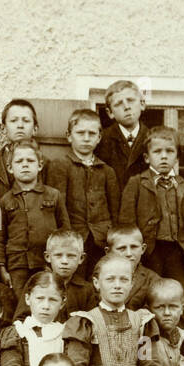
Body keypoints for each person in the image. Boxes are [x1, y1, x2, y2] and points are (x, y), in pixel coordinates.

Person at [63, 252, 161, 366]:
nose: (117, 285)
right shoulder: (86, 322)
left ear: (132, 283)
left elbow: (150, 365)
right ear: (96, 283)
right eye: (110, 279)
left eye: (124, 280)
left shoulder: (141, 322)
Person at [118, 126, 184, 291]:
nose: (164, 156)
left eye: (169, 151)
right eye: (157, 151)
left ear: (176, 158)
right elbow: (126, 223)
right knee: (149, 291)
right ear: (147, 158)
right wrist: (132, 251)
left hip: (177, 251)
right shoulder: (136, 183)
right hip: (149, 251)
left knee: (177, 292)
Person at [0, 140, 71, 301]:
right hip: (17, 265)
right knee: (21, 302)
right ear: (10, 168)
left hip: (46, 263)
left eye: (30, 161)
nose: (25, 165)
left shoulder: (54, 196)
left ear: (40, 165)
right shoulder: (2, 201)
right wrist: (1, 267)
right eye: (19, 161)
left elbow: (65, 231)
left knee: (46, 299)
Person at [52, 108, 118, 274]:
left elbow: (115, 209)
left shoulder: (107, 170)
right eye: (80, 133)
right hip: (73, 239)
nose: (86, 138)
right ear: (69, 136)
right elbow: (58, 206)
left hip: (101, 239)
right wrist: (67, 237)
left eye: (91, 133)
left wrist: (112, 237)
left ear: (99, 138)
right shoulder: (60, 165)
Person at [2, 270, 67, 366]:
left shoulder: (65, 333)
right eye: (40, 298)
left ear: (62, 303)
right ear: (27, 299)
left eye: (53, 300)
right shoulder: (18, 332)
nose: (46, 306)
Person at [94, 79, 151, 190]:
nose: (126, 107)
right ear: (110, 113)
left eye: (130, 100)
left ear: (142, 104)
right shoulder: (101, 140)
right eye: (118, 104)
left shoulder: (153, 138)